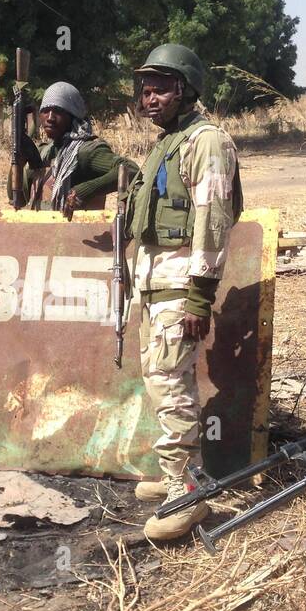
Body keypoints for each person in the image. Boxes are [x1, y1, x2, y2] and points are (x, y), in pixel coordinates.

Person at [124, 44, 242, 540]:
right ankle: (184, 473)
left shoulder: (206, 141)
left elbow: (213, 219)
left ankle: (186, 494)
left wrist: (200, 296)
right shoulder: (168, 142)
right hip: (155, 287)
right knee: (164, 383)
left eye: (160, 89)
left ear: (186, 89)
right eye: (144, 90)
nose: (149, 99)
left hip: (180, 287)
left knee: (170, 386)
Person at [10, 81, 132, 217]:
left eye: (59, 111)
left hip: (79, 234)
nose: (50, 118)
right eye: (45, 111)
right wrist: (17, 165)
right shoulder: (42, 153)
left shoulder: (85, 151)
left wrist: (84, 191)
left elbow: (130, 169)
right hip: (41, 234)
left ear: (73, 116)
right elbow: (18, 200)